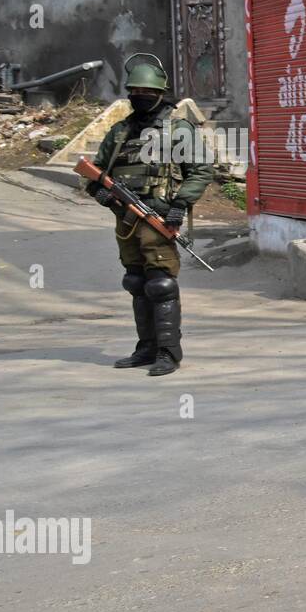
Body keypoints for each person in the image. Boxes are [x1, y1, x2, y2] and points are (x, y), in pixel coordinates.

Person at [85, 54, 209, 376]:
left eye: (146, 90)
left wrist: (180, 204)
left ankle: (168, 351)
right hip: (124, 216)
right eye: (134, 90)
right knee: (136, 281)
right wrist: (97, 191)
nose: (139, 95)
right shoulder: (121, 131)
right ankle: (146, 348)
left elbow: (200, 171)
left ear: (159, 93)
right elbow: (95, 171)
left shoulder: (177, 130)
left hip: (159, 215)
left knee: (161, 284)